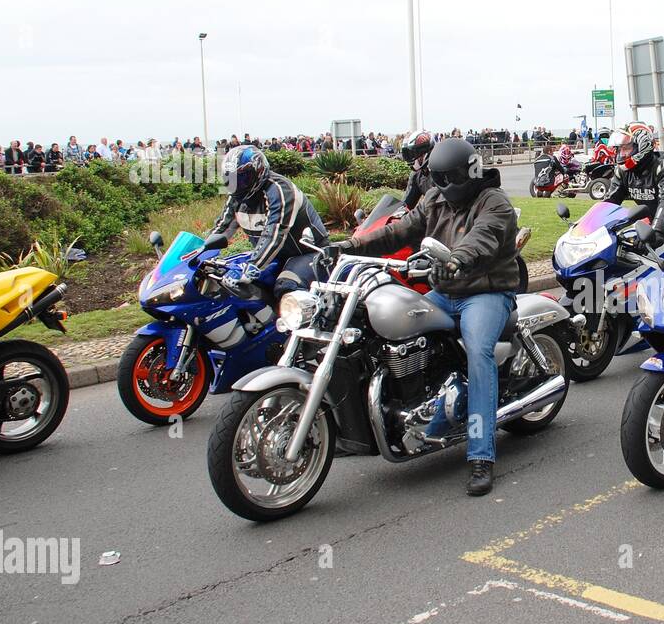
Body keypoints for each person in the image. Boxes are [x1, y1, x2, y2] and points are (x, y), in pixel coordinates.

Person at [326, 138, 520, 497]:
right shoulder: (435, 200)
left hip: (486, 292)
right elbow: (398, 231)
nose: (443, 186)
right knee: (383, 326)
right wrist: (348, 247)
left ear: (467, 173)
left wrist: (456, 259)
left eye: (448, 178)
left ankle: (481, 456)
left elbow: (482, 239)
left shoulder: (494, 202)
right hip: (445, 293)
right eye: (438, 179)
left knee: (478, 353)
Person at [206, 145, 329, 300]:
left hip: (308, 253)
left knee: (286, 288)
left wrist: (253, 266)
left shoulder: (279, 190)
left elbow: (274, 233)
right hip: (274, 256)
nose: (237, 185)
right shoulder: (235, 198)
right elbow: (222, 228)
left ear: (258, 172)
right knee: (233, 287)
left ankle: (293, 323)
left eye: (242, 178)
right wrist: (200, 254)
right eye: (231, 179)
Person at [605, 127, 664, 250]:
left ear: (642, 147)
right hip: (655, 221)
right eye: (619, 149)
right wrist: (588, 227)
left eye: (626, 149)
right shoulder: (623, 172)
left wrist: (656, 232)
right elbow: (610, 201)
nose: (621, 154)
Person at [400, 130, 434, 210]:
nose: (411, 157)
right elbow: (407, 202)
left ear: (424, 152)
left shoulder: (440, 172)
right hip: (432, 216)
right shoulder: (417, 175)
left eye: (413, 154)